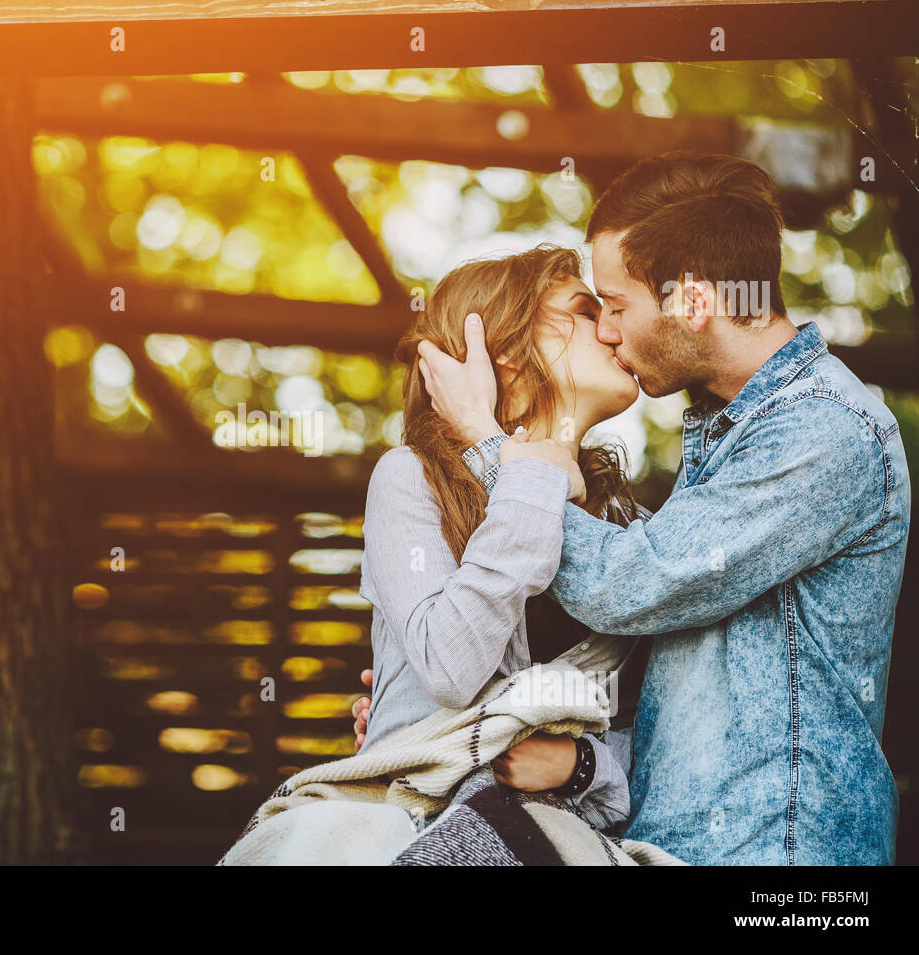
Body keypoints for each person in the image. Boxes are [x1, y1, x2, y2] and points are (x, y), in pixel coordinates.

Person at [356, 151, 910, 865]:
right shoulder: (699, 459)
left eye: (612, 306)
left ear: (696, 303)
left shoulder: (817, 430)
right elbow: (645, 715)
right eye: (590, 311)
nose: (610, 330)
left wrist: (496, 451)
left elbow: (628, 591)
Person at [359, 242, 647, 834]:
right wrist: (533, 477)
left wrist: (581, 765)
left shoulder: (631, 531)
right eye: (587, 311)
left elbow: (661, 747)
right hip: (415, 832)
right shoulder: (409, 478)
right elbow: (449, 668)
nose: (616, 331)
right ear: (506, 354)